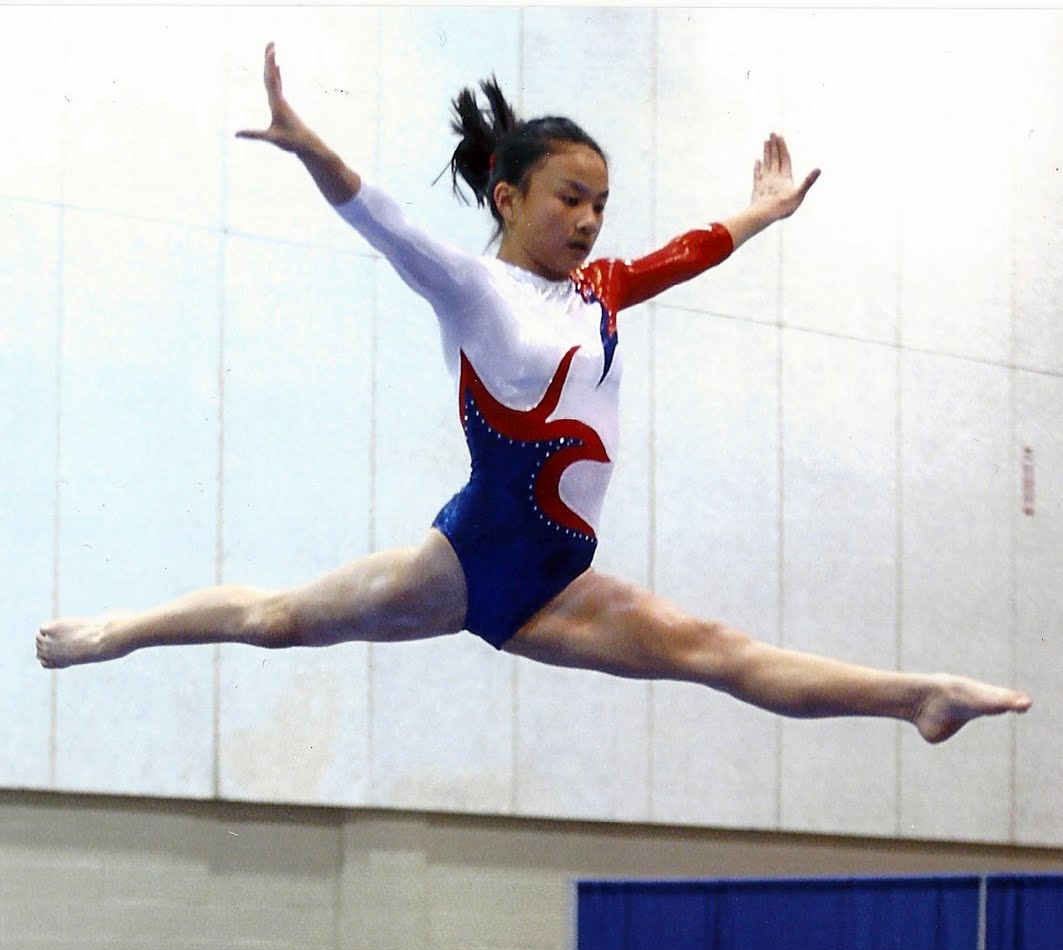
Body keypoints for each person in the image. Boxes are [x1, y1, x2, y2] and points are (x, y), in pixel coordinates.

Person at [36, 43, 1031, 747]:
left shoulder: (599, 290)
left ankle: (919, 698)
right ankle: (119, 631)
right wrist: (311, 149)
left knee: (719, 653)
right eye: (570, 198)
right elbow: (381, 219)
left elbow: (688, 253)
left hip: (559, 580)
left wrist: (763, 213)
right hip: (472, 558)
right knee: (276, 621)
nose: (591, 220)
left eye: (601, 202)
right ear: (508, 198)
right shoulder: (474, 288)